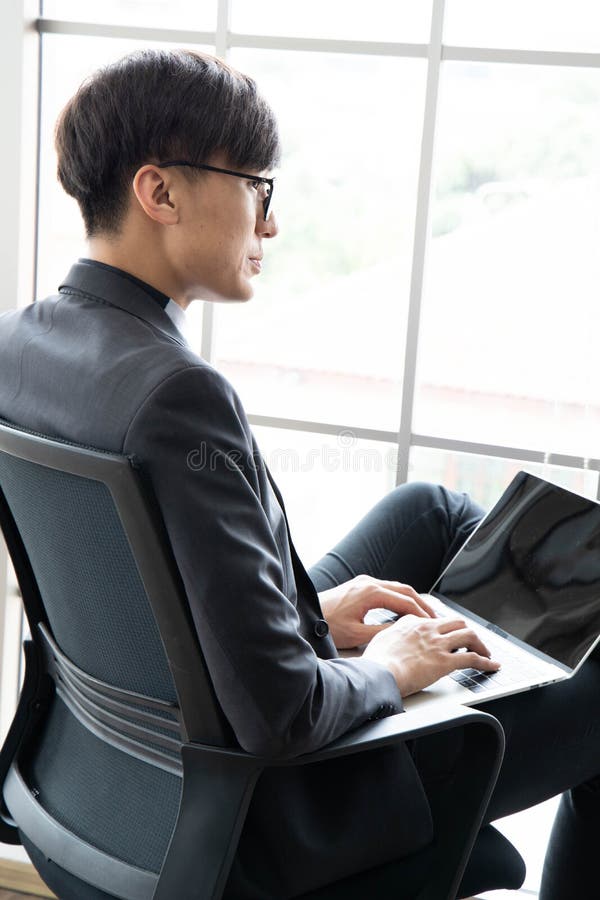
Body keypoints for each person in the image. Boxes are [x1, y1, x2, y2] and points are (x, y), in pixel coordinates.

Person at [0, 49, 598, 900]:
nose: (270, 224)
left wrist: (309, 613)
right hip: (266, 818)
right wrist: (392, 665)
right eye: (256, 188)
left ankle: (539, 622)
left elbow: (132, 601)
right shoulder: (178, 398)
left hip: (101, 787)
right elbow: (281, 715)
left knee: (428, 510)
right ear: (160, 193)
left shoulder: (17, 347)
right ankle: (531, 638)